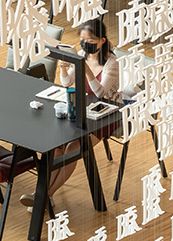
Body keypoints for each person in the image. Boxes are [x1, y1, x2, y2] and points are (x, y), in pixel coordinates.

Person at [20, 18, 121, 206]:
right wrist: (64, 69)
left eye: (90, 40)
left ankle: (44, 197)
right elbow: (67, 83)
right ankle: (41, 195)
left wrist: (86, 69)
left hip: (106, 115)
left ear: (102, 41)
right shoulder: (81, 54)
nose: (86, 44)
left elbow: (100, 93)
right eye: (83, 40)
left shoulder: (111, 63)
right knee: (59, 146)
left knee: (73, 148)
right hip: (84, 110)